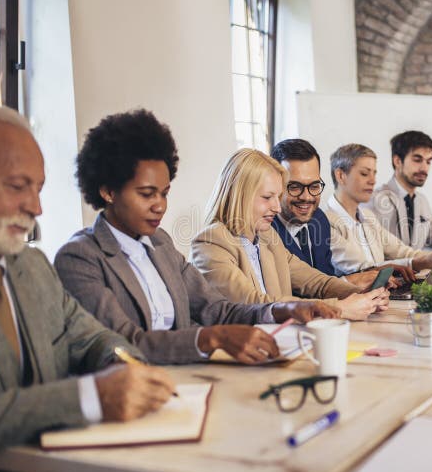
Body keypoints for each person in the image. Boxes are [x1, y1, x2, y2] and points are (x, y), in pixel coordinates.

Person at [0, 107, 177, 470]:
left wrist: (125, 365)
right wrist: (86, 398)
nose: (36, 207)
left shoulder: (34, 266)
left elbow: (93, 339)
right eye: (17, 186)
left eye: (38, 188)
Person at [55, 110, 336, 366]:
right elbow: (124, 343)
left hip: (187, 378)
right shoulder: (80, 258)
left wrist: (283, 309)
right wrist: (209, 339)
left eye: (164, 193)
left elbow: (217, 310)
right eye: (146, 194)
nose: (160, 205)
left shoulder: (160, 244)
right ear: (107, 191)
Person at [191, 148, 388, 321]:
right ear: (240, 196)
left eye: (278, 197)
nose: (277, 207)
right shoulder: (211, 243)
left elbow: (315, 281)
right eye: (267, 197)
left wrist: (362, 295)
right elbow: (252, 303)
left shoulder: (268, 238)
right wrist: (339, 308)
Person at [322, 144, 432, 277]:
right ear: (340, 175)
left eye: (374, 174)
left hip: (382, 295)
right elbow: (361, 268)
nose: (373, 181)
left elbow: (402, 251)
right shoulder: (325, 222)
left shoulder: (368, 217)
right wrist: (422, 261)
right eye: (364, 173)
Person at [270, 138, 377, 289]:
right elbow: (290, 295)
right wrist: (350, 283)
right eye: (294, 187)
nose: (306, 197)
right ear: (275, 185)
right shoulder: (266, 231)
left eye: (314, 186)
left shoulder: (318, 219)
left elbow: (326, 278)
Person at [369, 130, 432, 250]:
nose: (424, 168)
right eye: (417, 160)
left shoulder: (421, 201)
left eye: (428, 161)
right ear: (397, 161)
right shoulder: (374, 200)